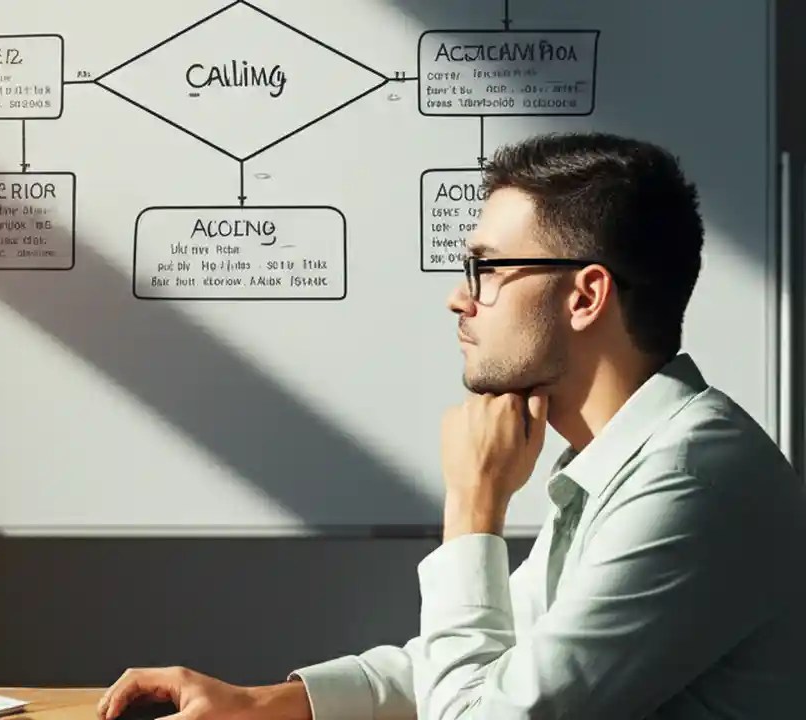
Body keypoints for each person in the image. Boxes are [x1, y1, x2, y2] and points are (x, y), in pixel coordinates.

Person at [94, 132, 806, 719]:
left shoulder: (691, 480)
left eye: (487, 268)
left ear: (585, 296)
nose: (459, 299)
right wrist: (259, 704)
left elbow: (481, 711)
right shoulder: (632, 459)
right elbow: (493, 663)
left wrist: (473, 503)